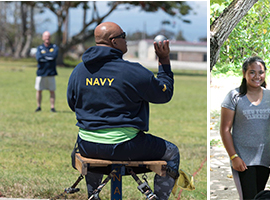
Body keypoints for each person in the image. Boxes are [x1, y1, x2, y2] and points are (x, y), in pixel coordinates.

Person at [67, 22, 180, 200]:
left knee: (94, 141)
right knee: (172, 152)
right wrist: (164, 60)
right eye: (123, 36)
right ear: (114, 41)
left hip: (87, 145)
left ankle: (93, 195)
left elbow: (72, 104)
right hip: (125, 146)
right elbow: (164, 94)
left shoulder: (79, 70)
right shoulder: (133, 72)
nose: (126, 40)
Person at [220, 56, 270, 200]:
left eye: (261, 72)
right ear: (244, 73)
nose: (257, 76)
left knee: (258, 197)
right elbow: (225, 130)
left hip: (264, 159)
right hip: (242, 159)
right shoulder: (234, 96)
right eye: (252, 72)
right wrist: (234, 157)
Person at [35, 31, 58, 112]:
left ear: (50, 38)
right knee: (39, 90)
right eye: (45, 36)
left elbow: (54, 56)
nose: (47, 38)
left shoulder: (54, 47)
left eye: (48, 36)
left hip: (51, 73)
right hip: (41, 73)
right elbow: (38, 58)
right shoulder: (39, 48)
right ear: (43, 38)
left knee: (52, 90)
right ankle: (38, 106)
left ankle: (52, 107)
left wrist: (44, 57)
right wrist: (48, 57)